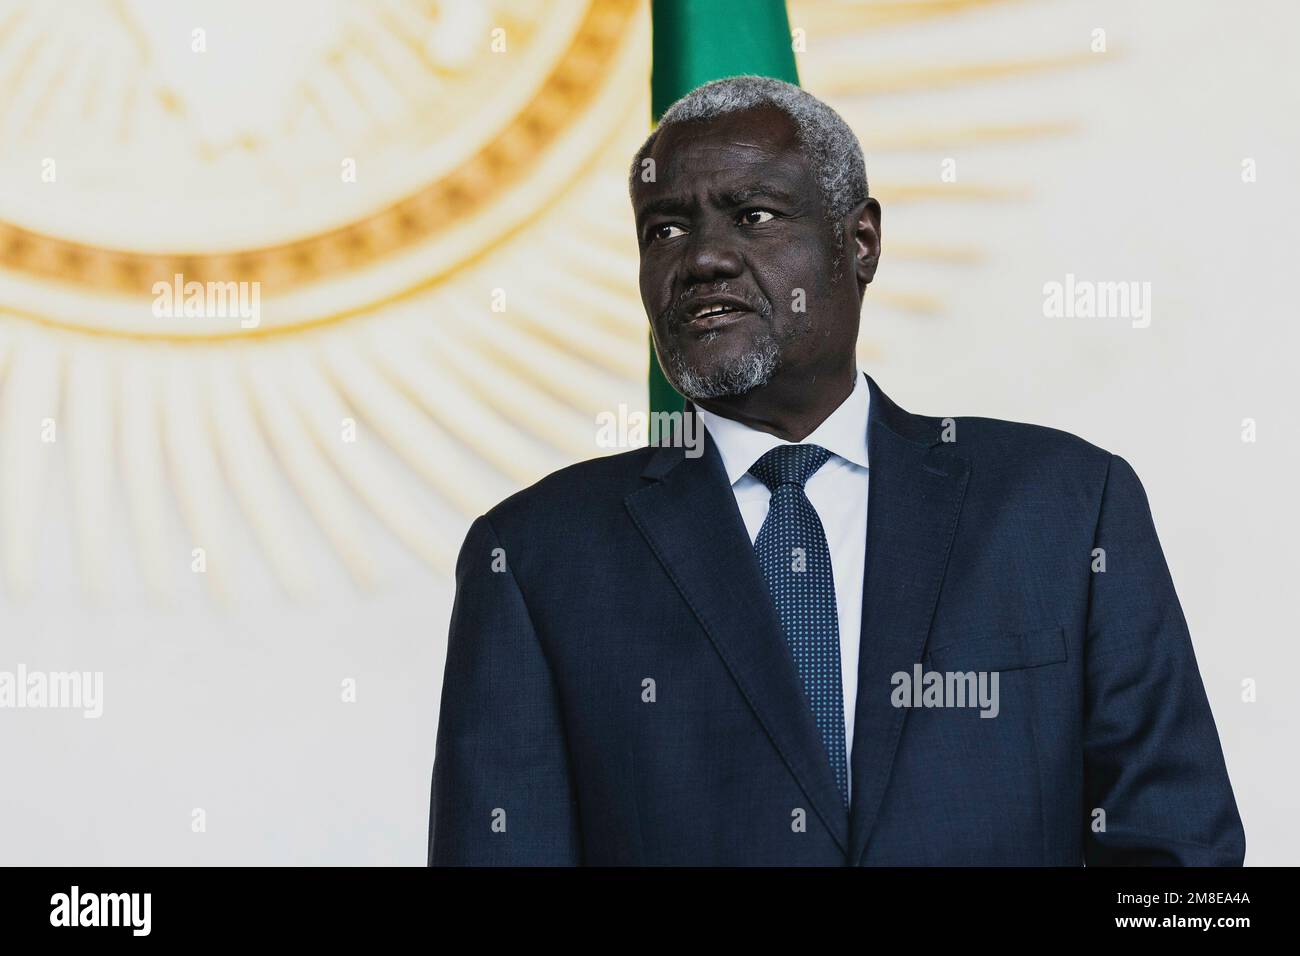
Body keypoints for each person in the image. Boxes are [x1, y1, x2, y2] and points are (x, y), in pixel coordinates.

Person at [427, 76, 1245, 866]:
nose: (703, 258)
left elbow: (1182, 860)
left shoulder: (1067, 507)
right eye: (664, 230)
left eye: (752, 215)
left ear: (861, 243)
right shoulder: (534, 559)